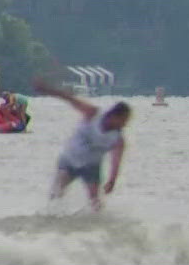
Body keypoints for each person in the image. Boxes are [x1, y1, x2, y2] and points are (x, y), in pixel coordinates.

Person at [34, 78, 131, 210]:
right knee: (56, 193)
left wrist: (112, 181)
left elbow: (116, 161)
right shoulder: (93, 113)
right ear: (114, 116)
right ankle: (50, 216)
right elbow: (70, 99)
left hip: (92, 166)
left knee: (95, 201)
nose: (125, 124)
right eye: (124, 120)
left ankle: (97, 220)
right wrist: (47, 90)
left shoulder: (118, 139)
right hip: (70, 159)